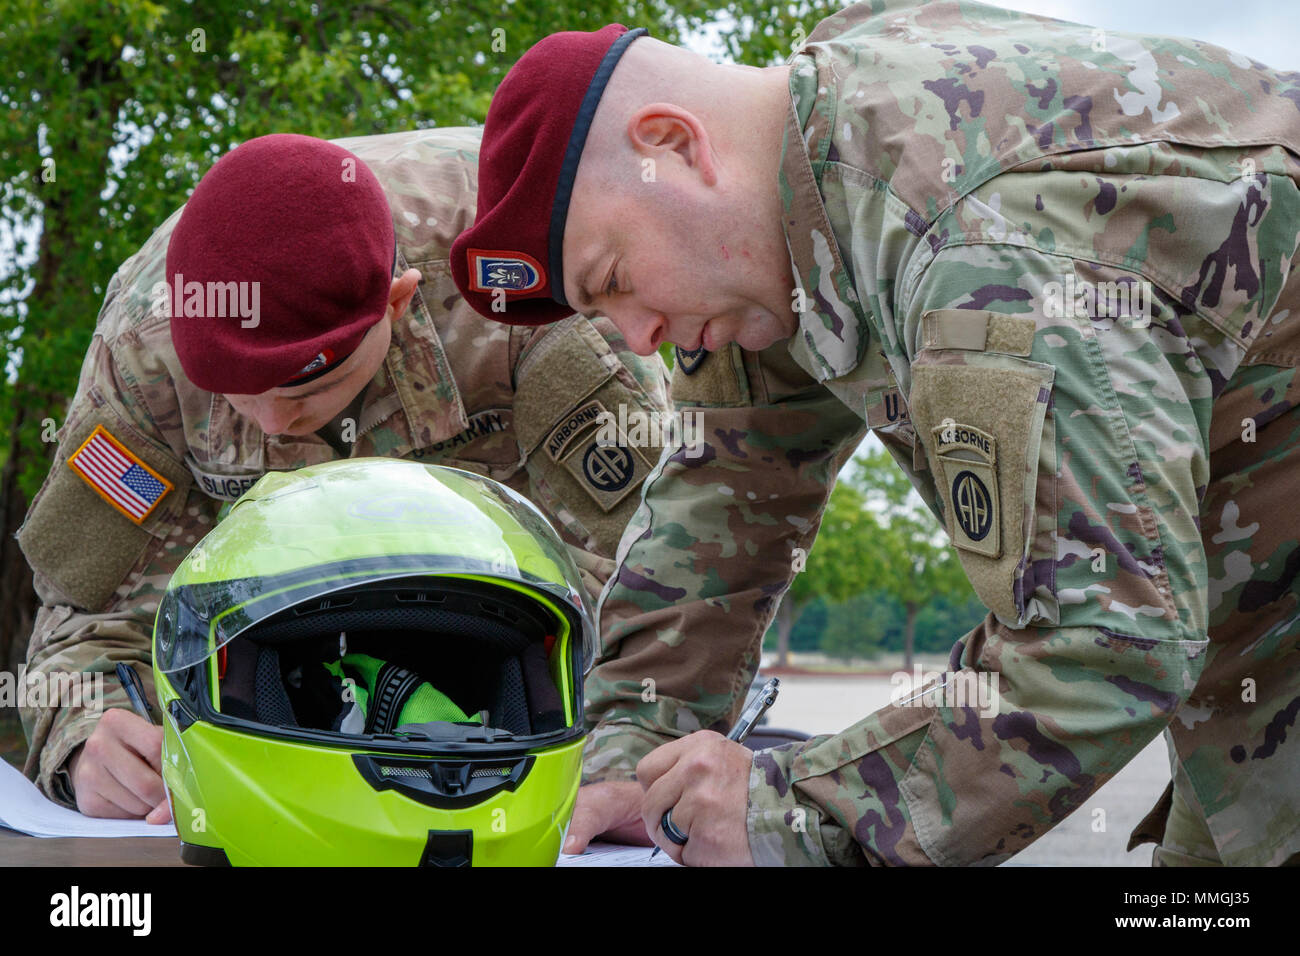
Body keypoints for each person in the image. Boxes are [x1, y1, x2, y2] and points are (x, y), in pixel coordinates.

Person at [451, 2, 1300, 866]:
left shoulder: (977, 238)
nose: (636, 339)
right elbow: (721, 500)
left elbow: (1099, 647)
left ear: (673, 145)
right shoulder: (794, 190)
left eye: (616, 278)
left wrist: (786, 820)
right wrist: (632, 756)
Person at [18, 126, 671, 824]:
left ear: (395, 304)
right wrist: (91, 733)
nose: (269, 424)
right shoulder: (145, 345)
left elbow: (657, 571)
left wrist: (623, 759)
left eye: (301, 391)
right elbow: (85, 615)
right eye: (235, 392)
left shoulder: (529, 281)